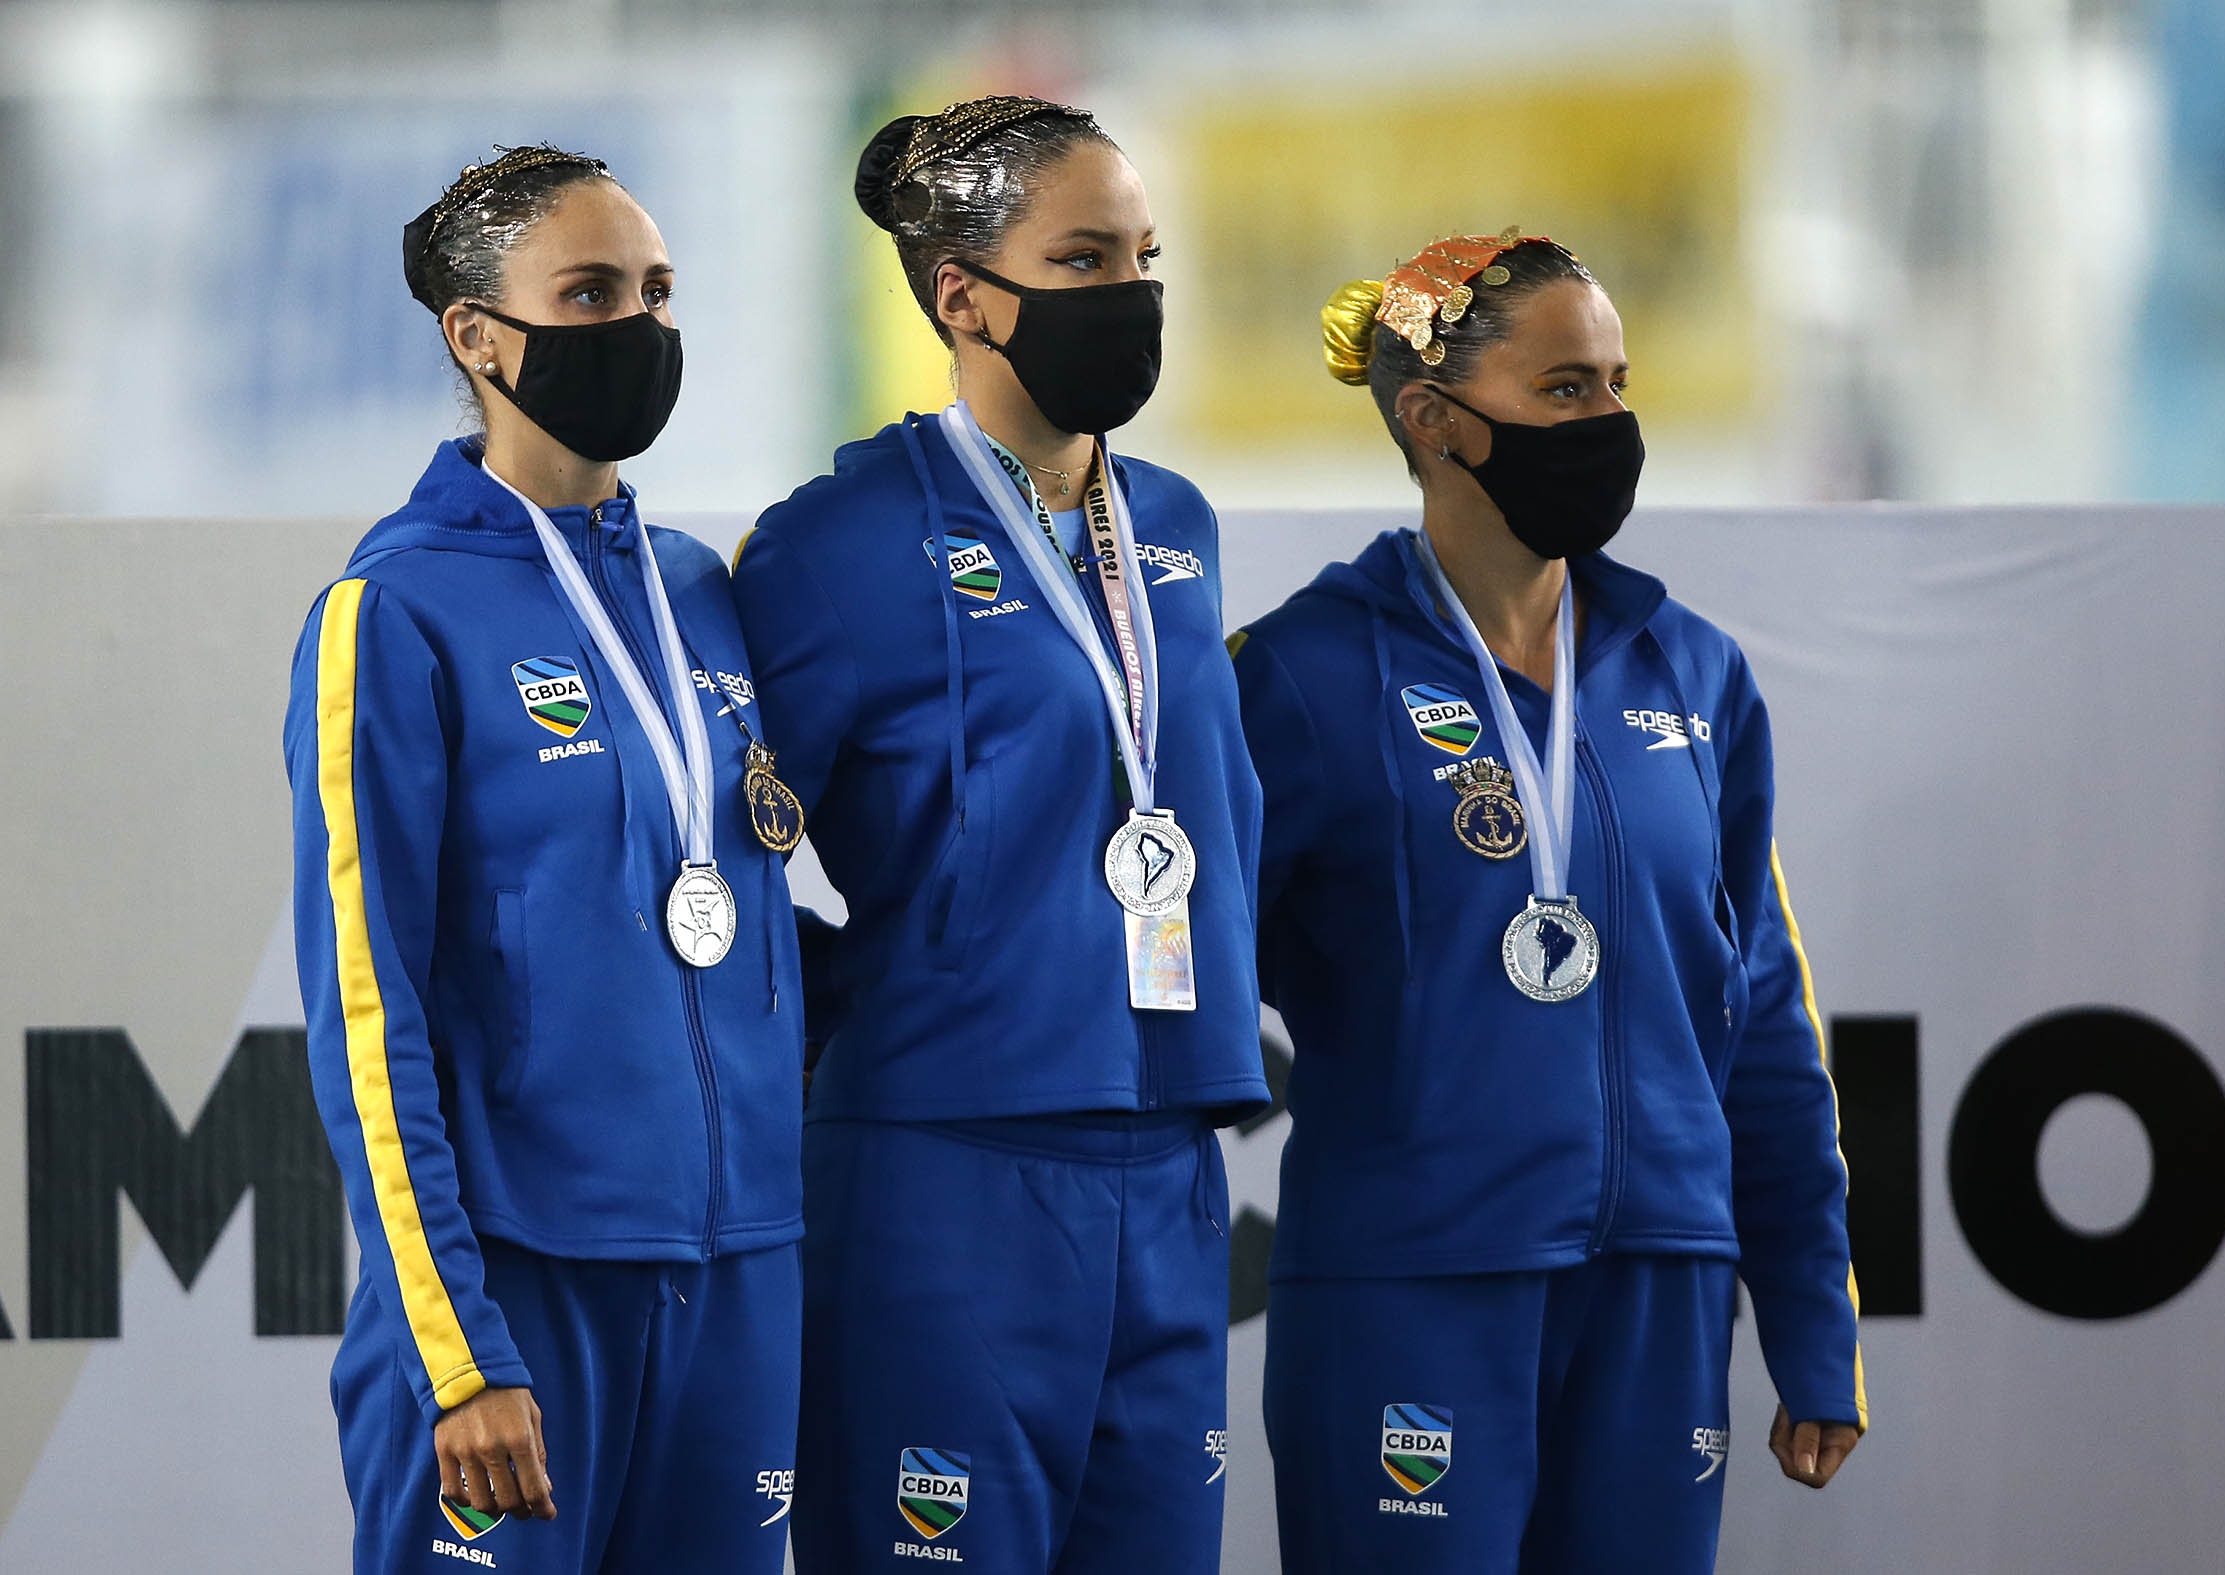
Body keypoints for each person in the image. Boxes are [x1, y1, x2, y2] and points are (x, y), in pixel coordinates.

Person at [1233, 231, 1865, 1573]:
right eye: (1566, 389)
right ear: (1434, 421)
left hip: (1661, 1284)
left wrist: (1808, 1318)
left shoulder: (1692, 673)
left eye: (1618, 383)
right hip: (1411, 1284)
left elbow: (1754, 1019)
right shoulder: (1295, 677)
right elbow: (1185, 978)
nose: (1611, 421)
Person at [730, 96, 1267, 1575]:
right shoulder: (833, 542)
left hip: (1166, 1151)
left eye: (1145, 256)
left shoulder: (1174, 524)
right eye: (1085, 258)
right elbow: (723, 840)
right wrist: (881, 1004)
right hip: (942, 1163)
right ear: (962, 295)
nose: (1132, 296)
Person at [285, 145, 807, 1574]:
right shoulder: (390, 611)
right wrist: (457, 1352)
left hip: (737, 1273)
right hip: (522, 1290)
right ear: (476, 336)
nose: (635, 328)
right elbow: (366, 1010)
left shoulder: (704, 591)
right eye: (587, 293)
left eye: (654, 290)